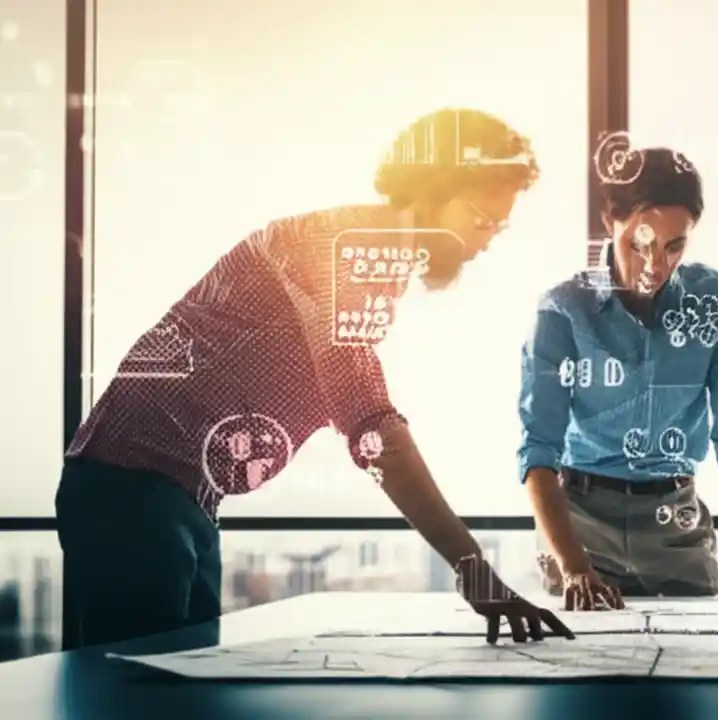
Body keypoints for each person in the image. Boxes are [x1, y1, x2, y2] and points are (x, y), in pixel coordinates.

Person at [58, 108, 573, 648]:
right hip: (130, 492)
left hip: (182, 498)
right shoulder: (339, 247)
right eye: (482, 220)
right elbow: (371, 427)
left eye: (499, 227)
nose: (486, 241)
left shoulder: (375, 265)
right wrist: (474, 571)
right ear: (433, 189)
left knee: (177, 680)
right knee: (136, 685)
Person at [518, 147, 718, 610]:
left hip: (677, 530)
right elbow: (538, 449)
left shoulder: (713, 300)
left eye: (674, 246)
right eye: (640, 244)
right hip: (581, 529)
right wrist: (574, 568)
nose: (655, 265)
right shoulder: (563, 309)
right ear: (610, 220)